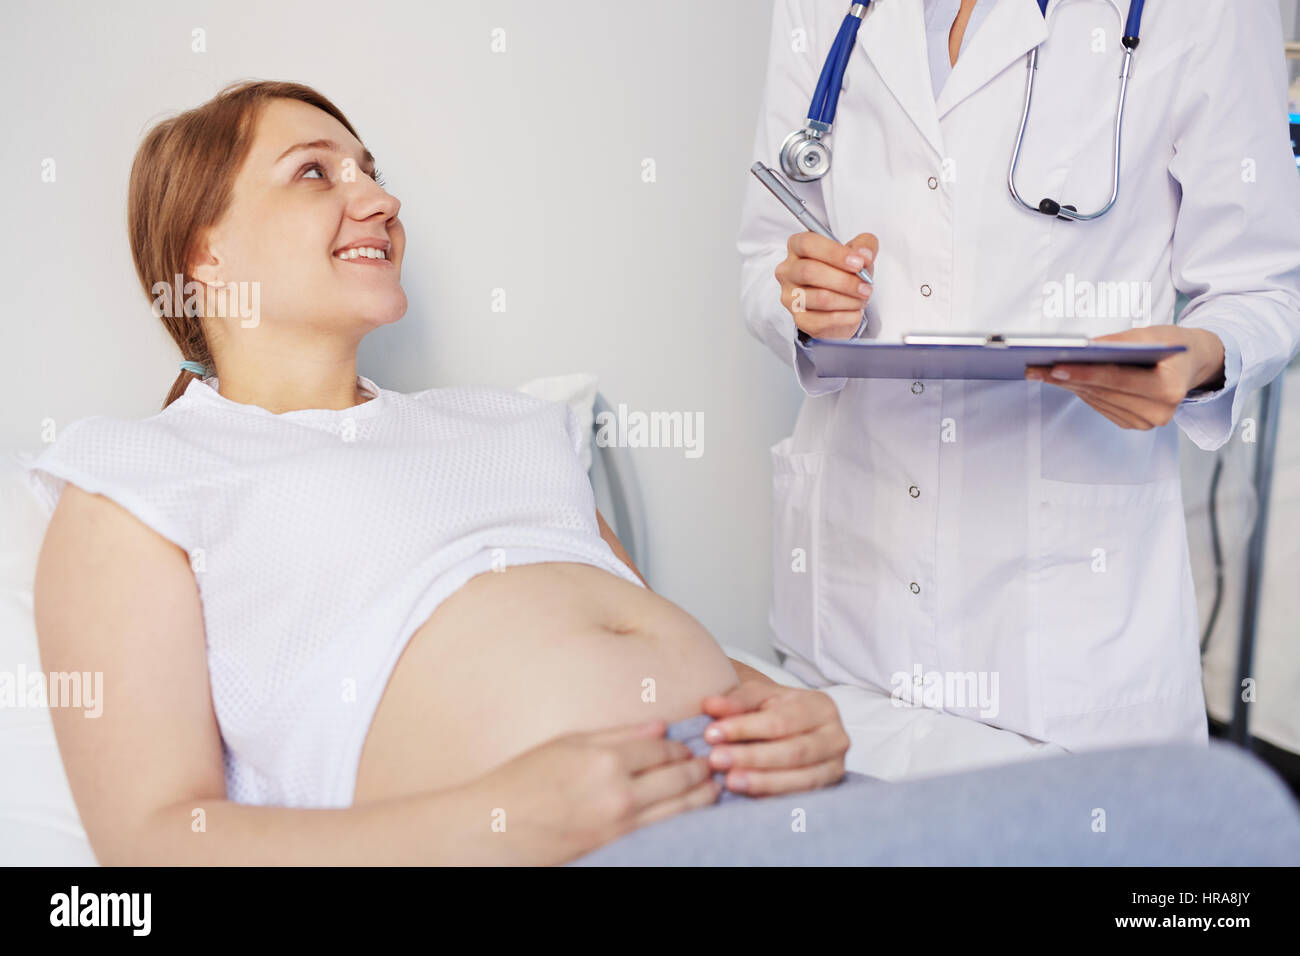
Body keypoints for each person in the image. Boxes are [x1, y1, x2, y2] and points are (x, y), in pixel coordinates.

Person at [27, 80, 852, 867]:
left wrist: (790, 709)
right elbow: (157, 841)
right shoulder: (136, 476)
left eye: (372, 175)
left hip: (775, 794)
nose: (380, 202)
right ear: (203, 250)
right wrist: (498, 825)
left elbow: (641, 622)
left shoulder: (512, 425)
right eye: (315, 172)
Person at [736, 0, 1300, 767]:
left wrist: (1203, 354)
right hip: (853, 589)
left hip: (1065, 635)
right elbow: (769, 247)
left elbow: (1264, 286)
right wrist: (802, 299)